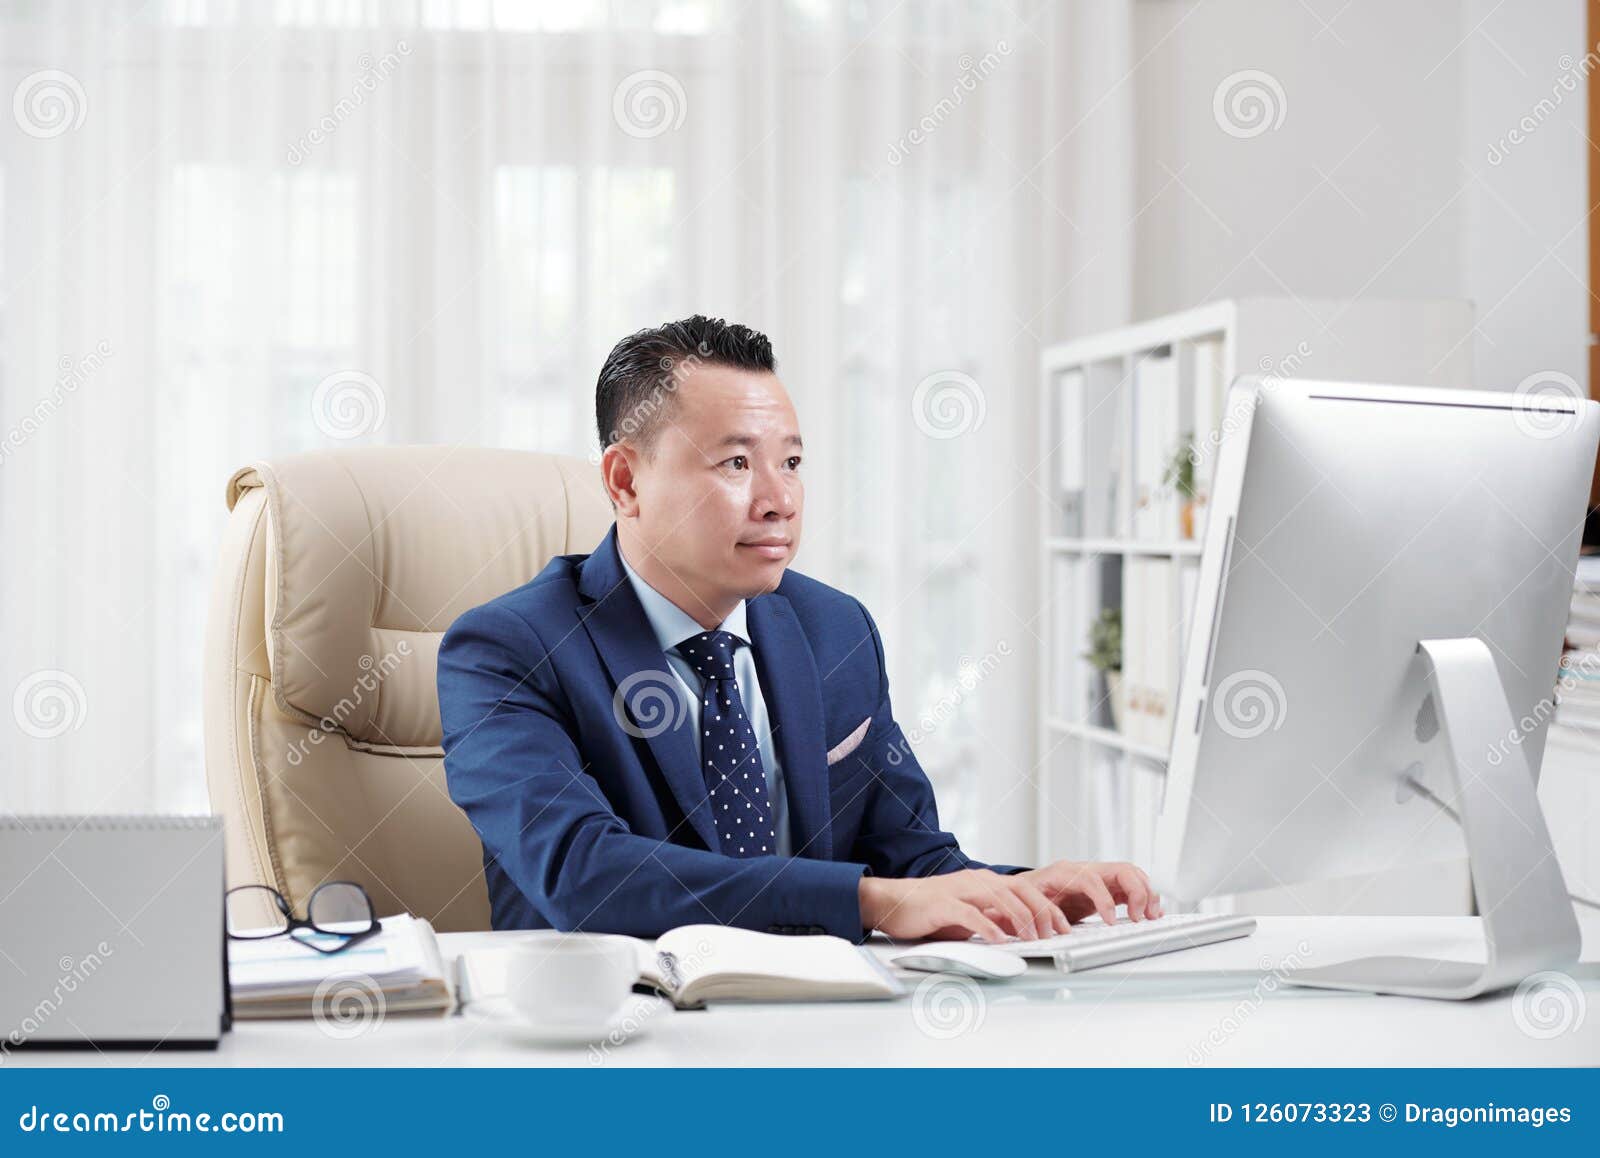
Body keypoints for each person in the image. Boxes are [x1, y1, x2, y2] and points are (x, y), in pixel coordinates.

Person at [438, 315, 1162, 942]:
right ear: (626, 482)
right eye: (736, 463)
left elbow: (909, 861)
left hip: (827, 1031)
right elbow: (582, 874)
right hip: (617, 1049)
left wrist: (1029, 890)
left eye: (791, 461)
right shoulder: (509, 649)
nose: (779, 499)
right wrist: (868, 901)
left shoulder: (834, 629)